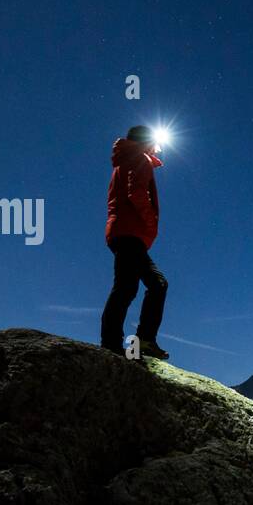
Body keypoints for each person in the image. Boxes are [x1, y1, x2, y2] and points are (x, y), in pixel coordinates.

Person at [100, 125, 170, 359]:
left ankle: (116, 344)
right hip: (130, 233)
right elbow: (136, 193)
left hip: (121, 231)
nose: (157, 149)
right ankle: (140, 342)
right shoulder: (139, 159)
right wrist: (150, 223)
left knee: (127, 288)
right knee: (156, 284)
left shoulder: (124, 161)